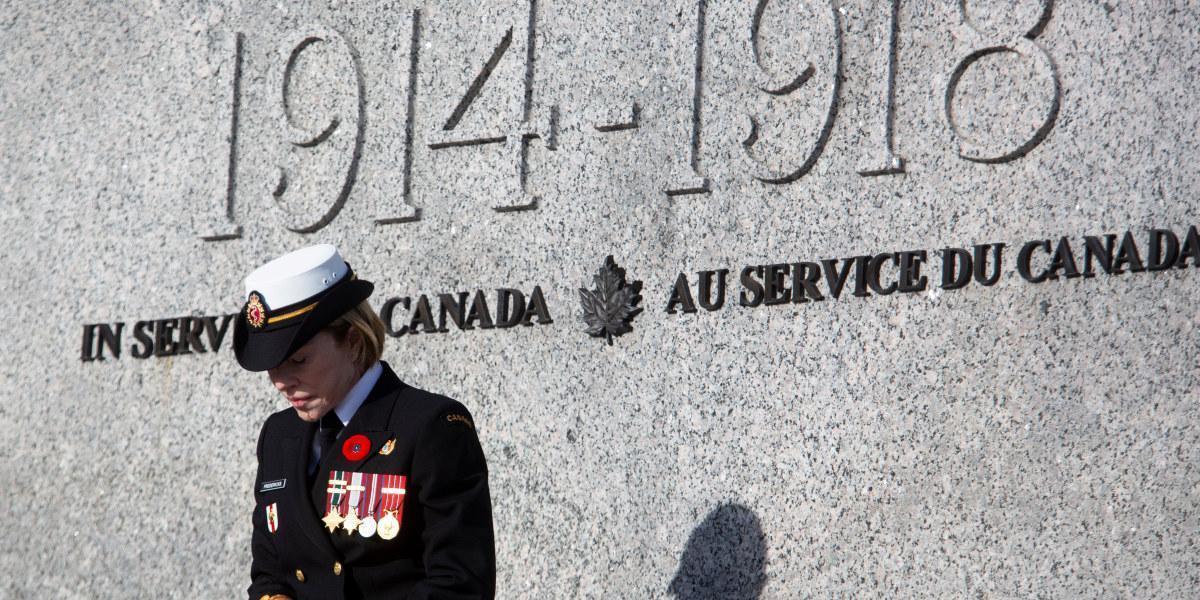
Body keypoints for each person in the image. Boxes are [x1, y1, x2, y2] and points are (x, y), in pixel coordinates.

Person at [234, 244, 495, 600]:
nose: (281, 382)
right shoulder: (280, 435)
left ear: (353, 342)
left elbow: (459, 584)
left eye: (298, 360)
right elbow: (269, 572)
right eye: (272, 367)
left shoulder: (432, 426)